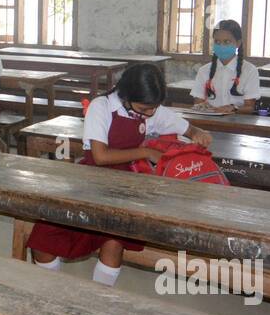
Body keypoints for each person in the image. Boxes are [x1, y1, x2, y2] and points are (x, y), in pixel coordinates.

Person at [28, 64, 213, 287]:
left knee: (114, 241)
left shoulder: (149, 108)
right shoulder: (102, 106)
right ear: (126, 95)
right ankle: (52, 288)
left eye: (153, 108)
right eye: (144, 109)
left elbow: (184, 127)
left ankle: (101, 296)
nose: (150, 114)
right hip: (92, 180)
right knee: (44, 237)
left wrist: (197, 133)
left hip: (129, 184)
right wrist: (145, 151)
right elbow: (100, 156)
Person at [191, 19, 259, 114]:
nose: (221, 45)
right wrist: (202, 106)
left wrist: (233, 109)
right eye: (217, 42)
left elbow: (249, 107)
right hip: (210, 120)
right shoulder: (204, 71)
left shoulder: (249, 70)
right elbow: (198, 102)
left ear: (238, 43)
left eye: (227, 42)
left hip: (239, 123)